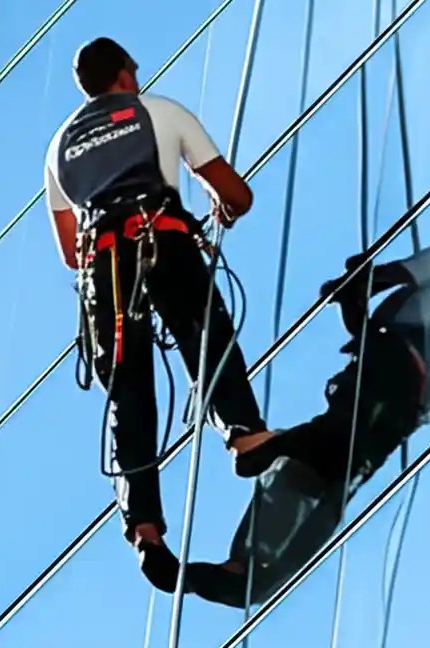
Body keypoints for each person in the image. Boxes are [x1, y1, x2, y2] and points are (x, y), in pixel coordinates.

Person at [184, 214, 430, 607]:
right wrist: (358, 311)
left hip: (392, 370)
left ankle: (266, 458)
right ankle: (261, 572)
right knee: (335, 480)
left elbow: (377, 282)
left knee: (328, 447)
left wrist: (351, 286)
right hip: (409, 402)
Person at [44, 37, 274, 592]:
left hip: (106, 271)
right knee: (205, 337)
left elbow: (68, 249)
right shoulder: (159, 112)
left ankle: (143, 526)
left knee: (128, 392)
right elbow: (236, 194)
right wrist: (221, 208)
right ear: (125, 74)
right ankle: (243, 435)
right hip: (162, 241)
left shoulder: (58, 148)